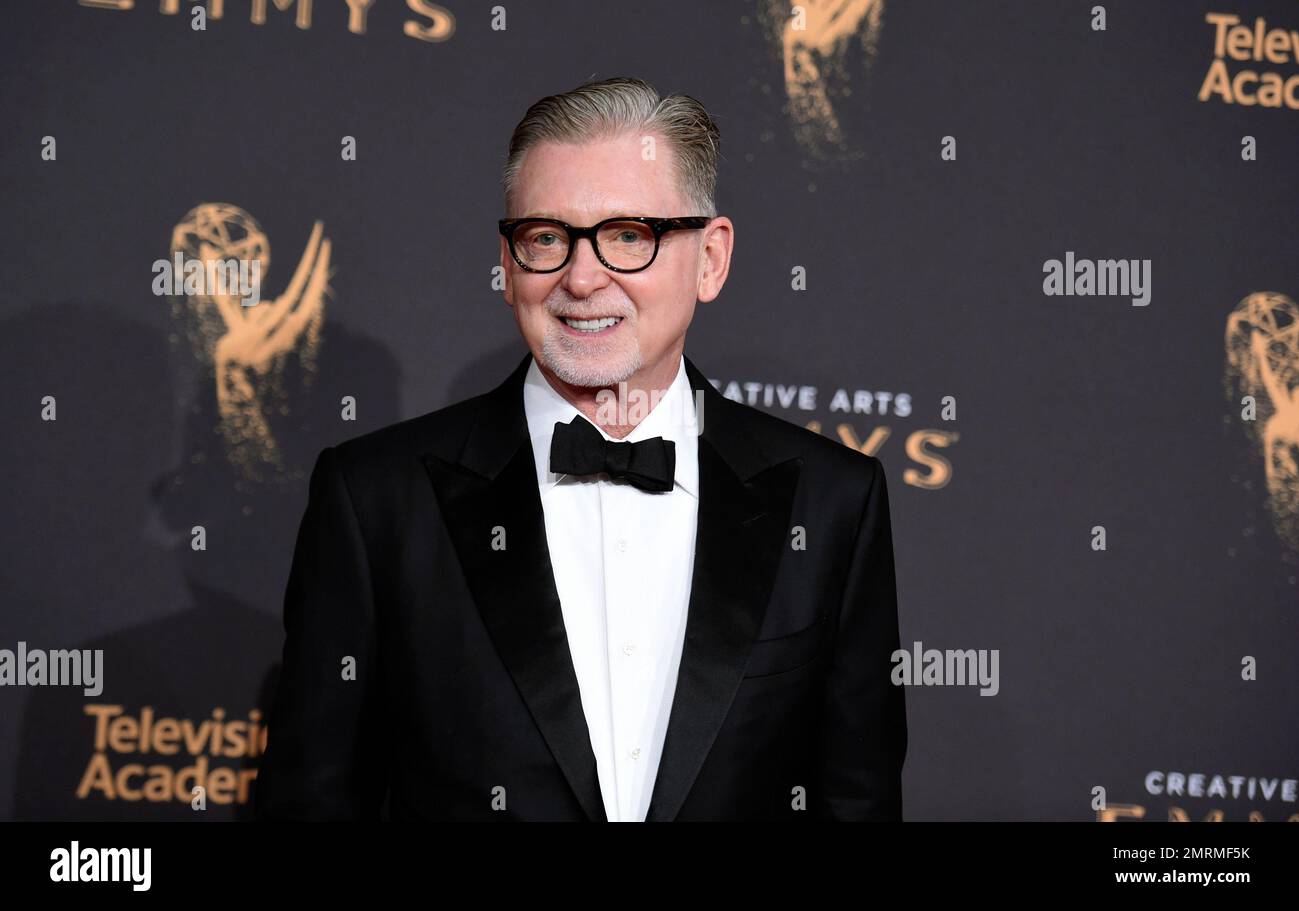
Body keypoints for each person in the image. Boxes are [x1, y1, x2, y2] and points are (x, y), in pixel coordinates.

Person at [254, 76, 906, 821]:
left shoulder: (832, 505)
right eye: (545, 238)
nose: (582, 277)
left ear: (711, 258)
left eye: (629, 235)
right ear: (507, 263)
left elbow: (858, 804)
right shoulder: (376, 501)